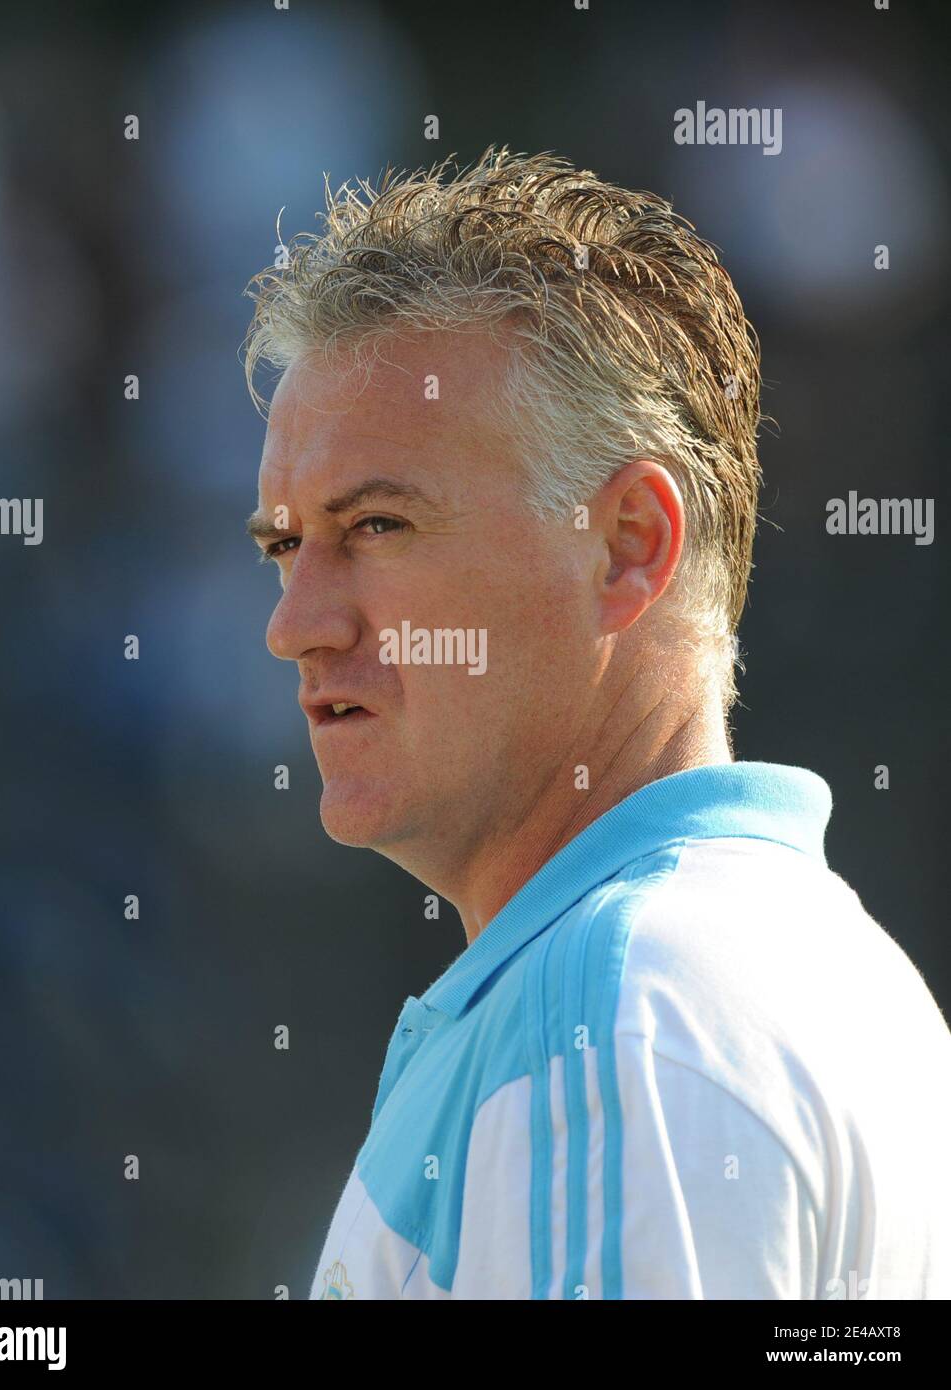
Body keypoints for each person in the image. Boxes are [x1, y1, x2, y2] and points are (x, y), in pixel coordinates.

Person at [243, 147, 951, 1299]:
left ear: (627, 545)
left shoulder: (615, 1010)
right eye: (284, 545)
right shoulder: (845, 983)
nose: (297, 625)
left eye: (374, 525)